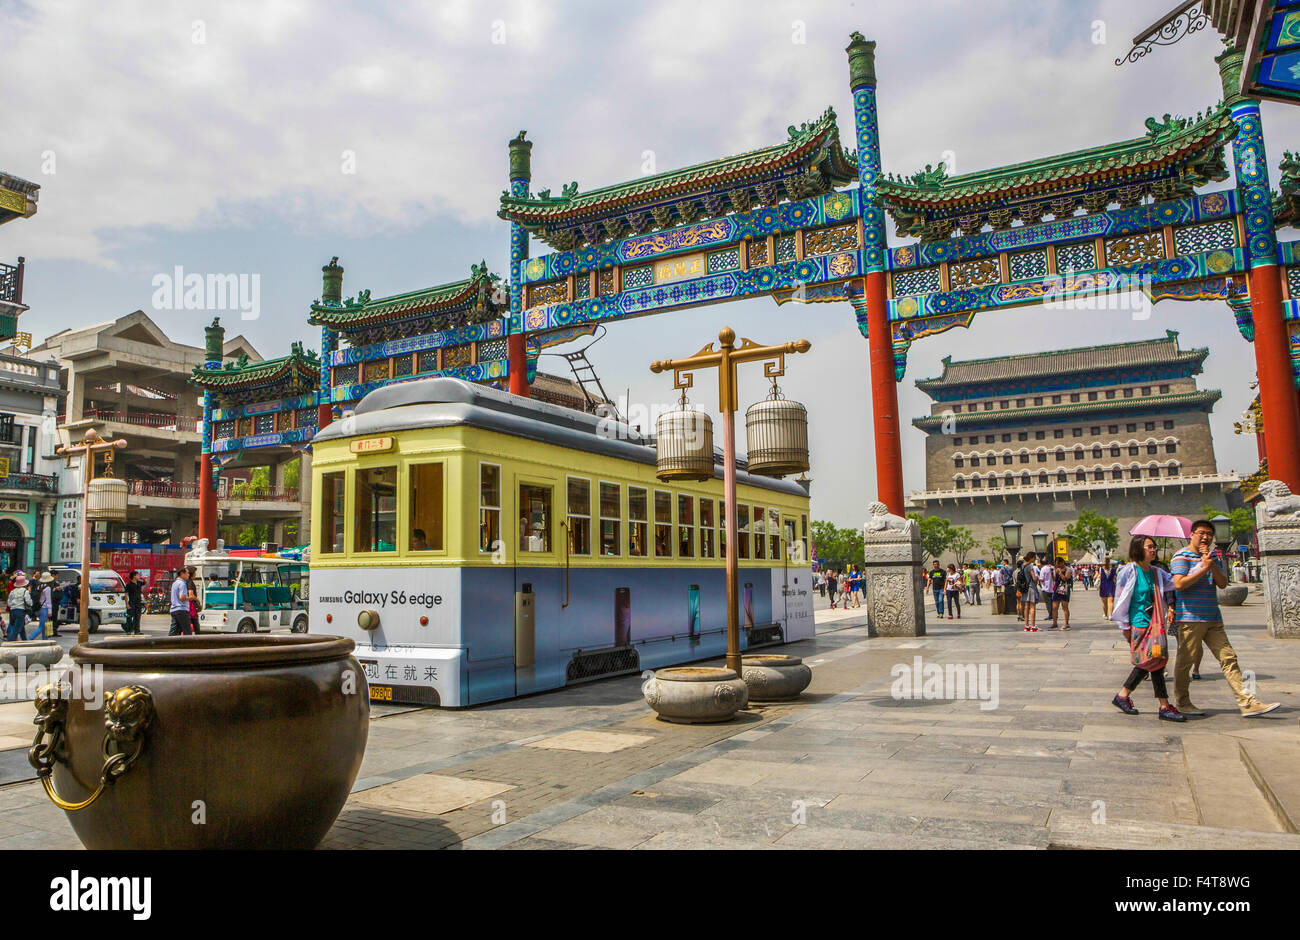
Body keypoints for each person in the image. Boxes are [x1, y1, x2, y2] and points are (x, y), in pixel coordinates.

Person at [1171, 520, 1281, 718]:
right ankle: (1182, 701)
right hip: (1191, 619)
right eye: (1201, 533)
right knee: (1185, 662)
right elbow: (1179, 584)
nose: (1205, 537)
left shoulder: (1211, 557)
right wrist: (1203, 568)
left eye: (1209, 534)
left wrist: (1211, 566)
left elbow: (1221, 584)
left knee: (1228, 658)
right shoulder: (1181, 556)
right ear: (1192, 534)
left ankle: (1247, 703)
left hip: (1213, 617)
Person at [1111, 535, 1184, 721]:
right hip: (1139, 623)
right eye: (1149, 547)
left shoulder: (1156, 572)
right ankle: (1159, 705)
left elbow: (1174, 582)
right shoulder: (1129, 571)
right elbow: (1120, 597)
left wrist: (1196, 565)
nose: (1154, 550)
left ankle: (1128, 697)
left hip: (1156, 623)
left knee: (1154, 662)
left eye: (1155, 547)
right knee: (1152, 661)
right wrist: (1124, 625)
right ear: (1138, 549)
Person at [1017, 552, 1040, 631]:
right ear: (1031, 558)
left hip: (1025, 588)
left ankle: (1026, 625)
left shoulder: (1023, 566)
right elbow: (1034, 578)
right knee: (1032, 607)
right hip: (1031, 588)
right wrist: (1037, 579)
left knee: (1026, 607)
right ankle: (1033, 625)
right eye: (1034, 558)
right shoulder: (1030, 566)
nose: (1035, 559)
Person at [168, 568, 196, 636]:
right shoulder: (182, 583)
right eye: (187, 573)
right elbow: (182, 597)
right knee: (187, 631)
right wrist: (191, 598)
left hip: (174, 610)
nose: (188, 575)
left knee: (175, 631)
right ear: (182, 574)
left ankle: (169, 644)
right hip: (181, 610)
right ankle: (187, 645)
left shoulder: (175, 583)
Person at [5, 572, 29, 642]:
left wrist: (13, 605)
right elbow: (29, 602)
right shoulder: (25, 591)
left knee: (16, 626)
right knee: (17, 628)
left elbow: (9, 602)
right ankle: (10, 642)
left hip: (12, 611)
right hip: (20, 610)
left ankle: (24, 640)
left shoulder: (12, 591)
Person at [1054, 556, 1073, 630]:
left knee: (1064, 607)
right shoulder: (1056, 569)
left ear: (1062, 562)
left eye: (1059, 564)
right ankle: (1054, 623)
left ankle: (1066, 623)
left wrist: (1060, 573)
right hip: (1056, 588)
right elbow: (1054, 579)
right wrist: (1053, 573)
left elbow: (1065, 578)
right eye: (1056, 564)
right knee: (1054, 607)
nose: (1058, 565)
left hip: (1064, 589)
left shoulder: (1068, 569)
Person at [124, 570, 143, 635]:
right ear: (134, 576)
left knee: (137, 617)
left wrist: (145, 579)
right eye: (137, 575)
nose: (139, 576)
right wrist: (127, 604)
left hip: (138, 603)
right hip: (131, 603)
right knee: (129, 617)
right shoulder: (128, 585)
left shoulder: (139, 583)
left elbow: (144, 583)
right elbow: (126, 594)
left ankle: (137, 631)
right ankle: (128, 630)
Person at [1039, 558, 1057, 627]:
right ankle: (1055, 614)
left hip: (1046, 588)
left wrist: (1038, 577)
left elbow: (1042, 579)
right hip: (1053, 587)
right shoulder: (1052, 567)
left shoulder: (1043, 569)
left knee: (1048, 602)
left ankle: (1050, 615)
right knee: (1053, 602)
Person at [36, 572, 54, 639]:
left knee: (45, 626)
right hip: (44, 609)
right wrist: (50, 611)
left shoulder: (39, 586)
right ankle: (30, 639)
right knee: (42, 627)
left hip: (39, 608)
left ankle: (45, 639)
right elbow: (48, 601)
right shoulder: (48, 588)